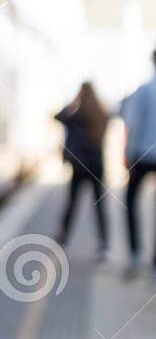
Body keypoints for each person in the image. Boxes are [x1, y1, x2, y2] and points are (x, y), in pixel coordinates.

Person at [53, 82, 110, 258]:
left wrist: (73, 102)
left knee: (72, 202)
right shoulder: (102, 115)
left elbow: (58, 117)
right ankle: (103, 242)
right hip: (96, 165)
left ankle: (64, 237)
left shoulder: (76, 115)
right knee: (99, 205)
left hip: (79, 166)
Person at [119, 49, 156, 279]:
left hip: (142, 156)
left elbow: (131, 125)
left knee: (130, 202)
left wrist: (127, 155)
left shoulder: (143, 91)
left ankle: (135, 254)